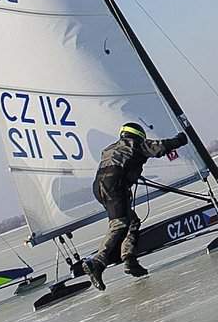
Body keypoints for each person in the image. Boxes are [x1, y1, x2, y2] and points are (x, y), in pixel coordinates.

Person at [80, 121, 190, 287]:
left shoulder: (111, 148)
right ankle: (97, 263)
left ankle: (130, 260)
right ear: (139, 134)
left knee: (132, 221)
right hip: (115, 185)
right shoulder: (136, 144)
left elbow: (121, 163)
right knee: (120, 225)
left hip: (99, 186)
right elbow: (161, 147)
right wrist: (181, 139)